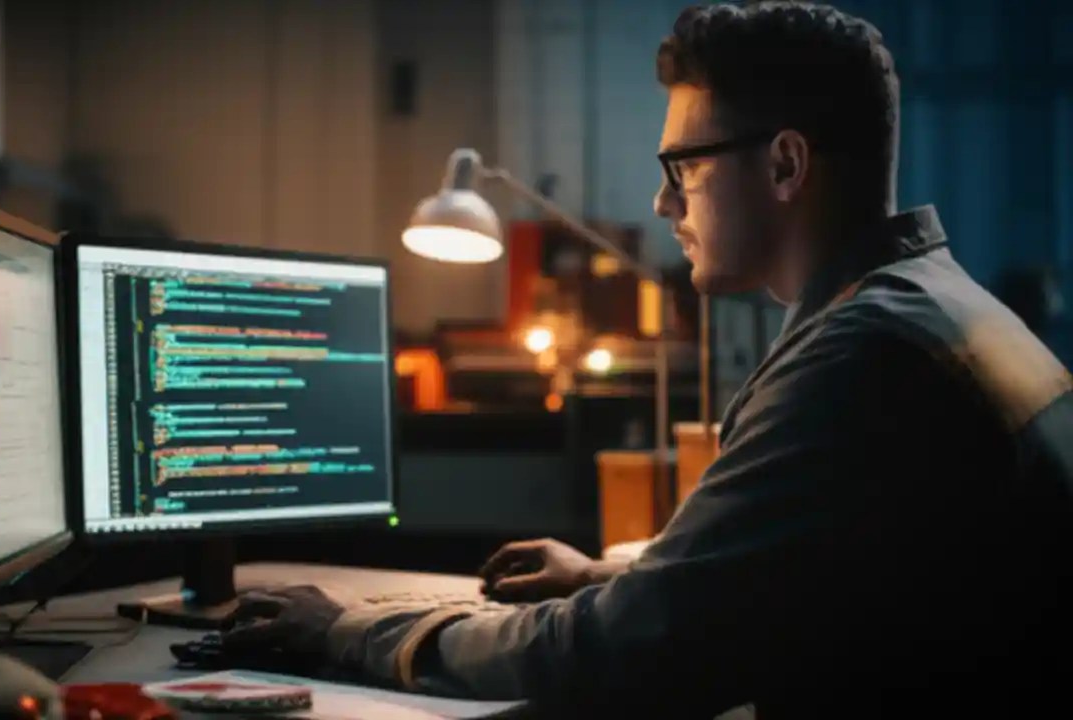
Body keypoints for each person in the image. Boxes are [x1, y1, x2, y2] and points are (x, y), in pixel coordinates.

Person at [219, 3, 1073, 717]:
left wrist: (349, 632)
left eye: (682, 167)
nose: (663, 201)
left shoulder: (862, 356)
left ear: (785, 164)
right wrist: (607, 574)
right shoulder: (940, 303)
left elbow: (615, 658)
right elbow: (821, 559)